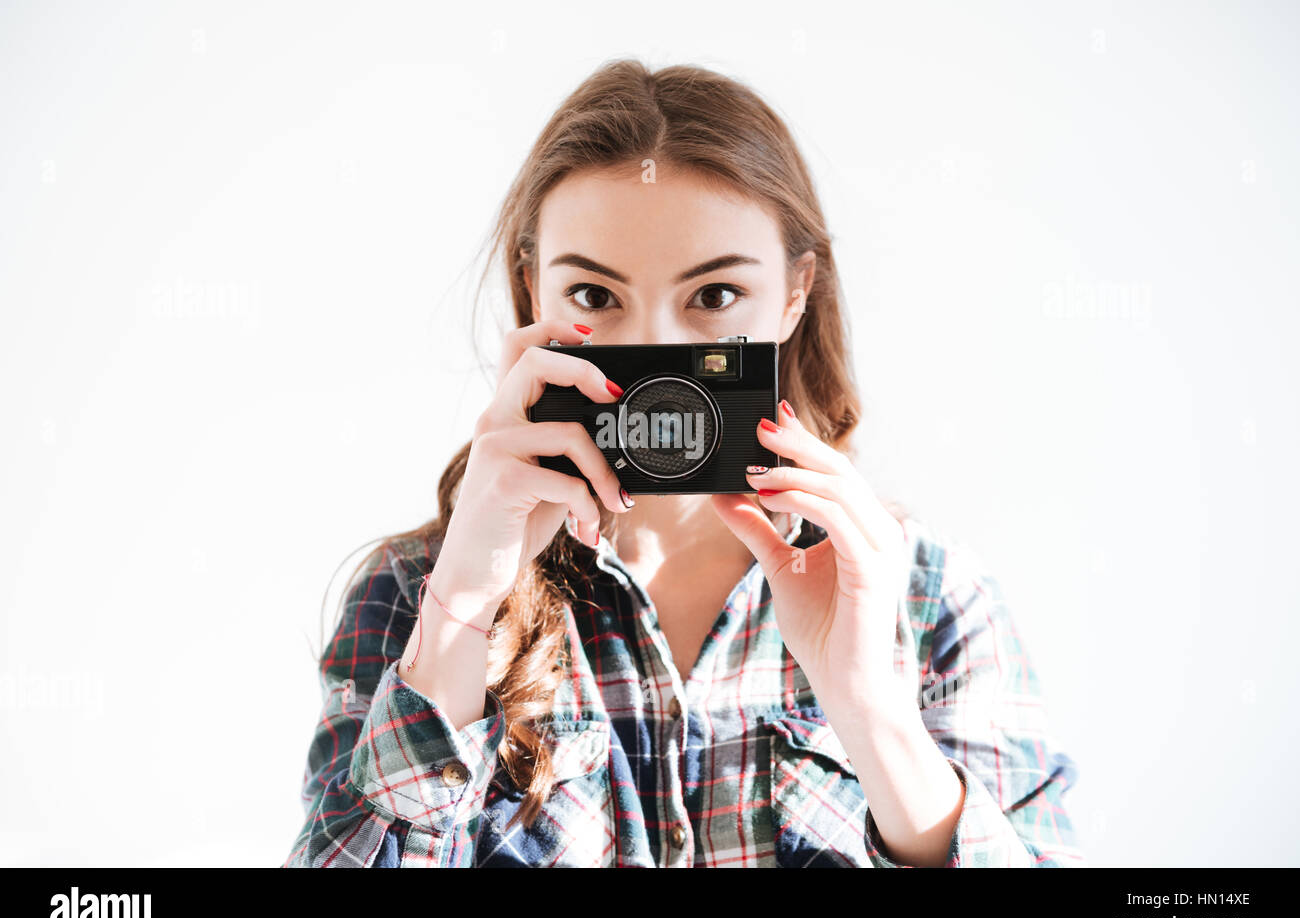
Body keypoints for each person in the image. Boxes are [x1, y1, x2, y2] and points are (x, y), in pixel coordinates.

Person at [282, 58, 1083, 868]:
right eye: (595, 297)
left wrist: (875, 715)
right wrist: (459, 611)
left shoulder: (932, 598)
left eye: (714, 296)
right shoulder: (412, 595)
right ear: (533, 290)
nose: (654, 354)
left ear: (794, 295)